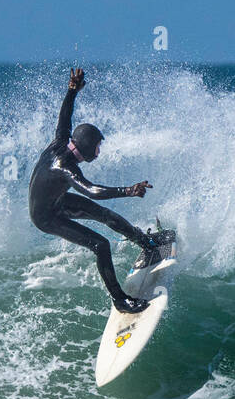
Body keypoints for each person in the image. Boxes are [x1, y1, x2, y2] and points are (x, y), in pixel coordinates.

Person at [28, 68, 162, 313]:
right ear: (87, 148)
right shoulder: (65, 168)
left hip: (55, 201)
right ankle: (120, 300)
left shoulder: (61, 141)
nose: (99, 152)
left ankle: (146, 243)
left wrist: (72, 92)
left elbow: (64, 118)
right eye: (97, 147)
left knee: (104, 215)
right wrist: (128, 190)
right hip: (45, 216)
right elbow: (91, 191)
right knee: (100, 245)